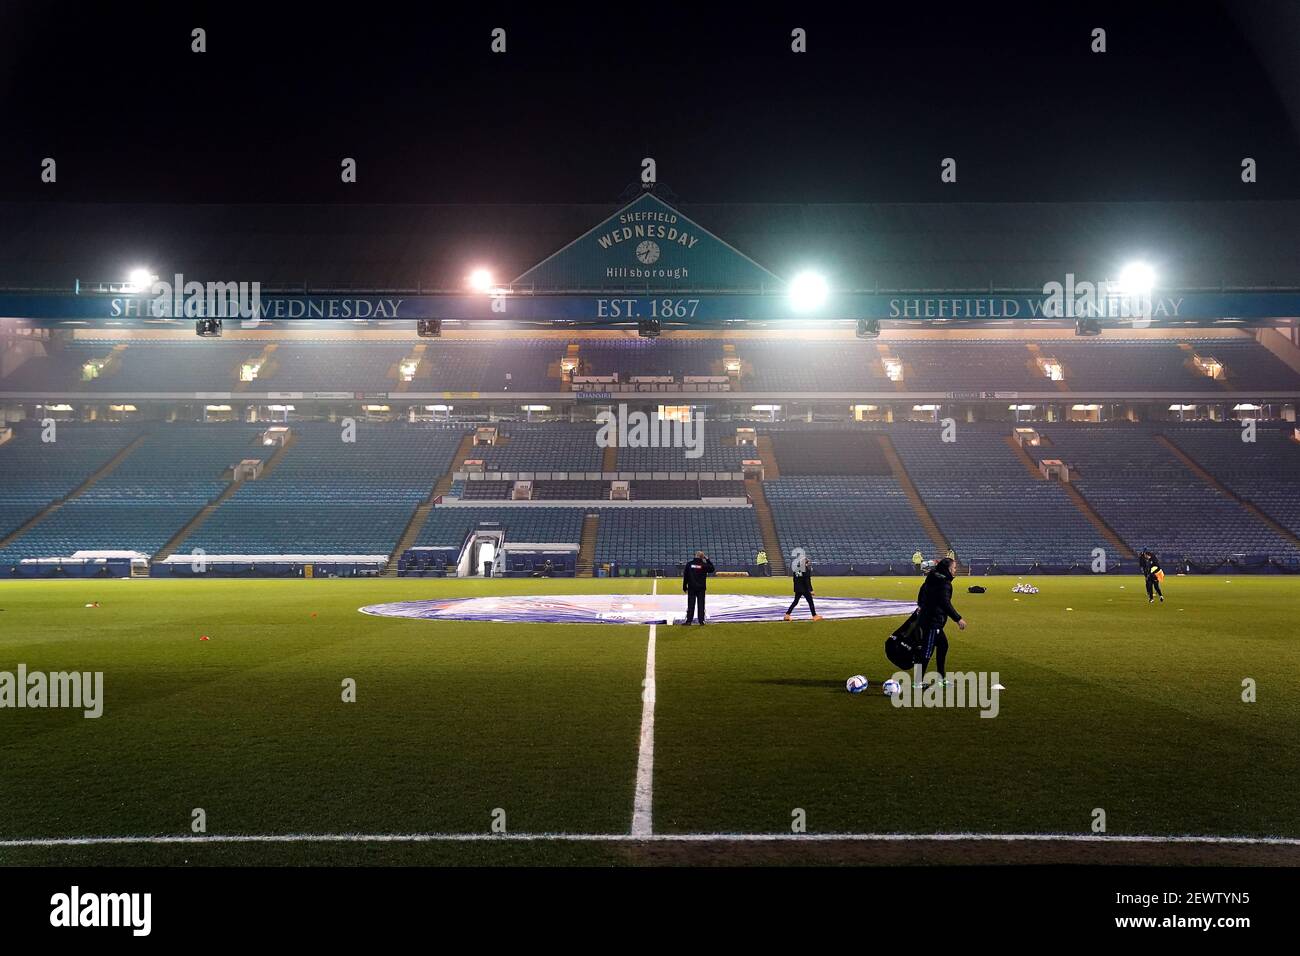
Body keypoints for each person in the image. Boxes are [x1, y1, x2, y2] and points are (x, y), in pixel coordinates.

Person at [915, 557, 967, 686]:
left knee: (943, 646)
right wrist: (958, 618)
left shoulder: (932, 576)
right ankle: (918, 682)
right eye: (954, 568)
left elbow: (922, 590)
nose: (955, 570)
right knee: (927, 651)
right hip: (933, 621)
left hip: (927, 618)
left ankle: (941, 679)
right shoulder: (944, 583)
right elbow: (944, 603)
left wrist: (921, 604)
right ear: (948, 569)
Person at [784, 549, 823, 621]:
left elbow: (794, 579)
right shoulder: (806, 570)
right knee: (810, 601)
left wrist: (796, 587)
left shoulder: (796, 569)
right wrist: (811, 590)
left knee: (795, 602)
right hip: (804, 589)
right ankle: (814, 616)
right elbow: (807, 580)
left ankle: (787, 615)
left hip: (797, 588)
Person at [682, 550, 715, 625]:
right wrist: (707, 559)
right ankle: (701, 621)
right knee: (701, 604)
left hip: (691, 587)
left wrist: (684, 586)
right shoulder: (704, 565)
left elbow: (685, 576)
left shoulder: (689, 564)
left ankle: (689, 621)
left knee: (691, 604)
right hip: (701, 588)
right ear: (702, 557)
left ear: (695, 555)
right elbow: (712, 569)